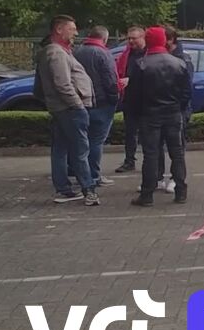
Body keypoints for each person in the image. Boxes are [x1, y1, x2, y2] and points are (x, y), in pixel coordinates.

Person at [37, 15, 99, 206]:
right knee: (80, 150)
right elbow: (63, 84)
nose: (76, 33)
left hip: (62, 108)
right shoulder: (56, 53)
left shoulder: (57, 52)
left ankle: (64, 190)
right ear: (59, 29)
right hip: (70, 109)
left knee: (60, 149)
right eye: (72, 29)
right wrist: (78, 105)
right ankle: (89, 190)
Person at [127, 27, 191, 207]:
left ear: (147, 41)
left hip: (149, 114)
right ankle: (180, 191)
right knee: (177, 153)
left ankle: (147, 194)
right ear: (163, 40)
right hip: (173, 113)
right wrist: (179, 108)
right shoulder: (179, 63)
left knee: (151, 154)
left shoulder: (140, 64)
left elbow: (133, 95)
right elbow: (186, 92)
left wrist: (138, 114)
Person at [73, 26, 118, 188]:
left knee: (82, 141)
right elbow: (110, 80)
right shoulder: (104, 54)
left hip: (81, 102)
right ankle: (94, 175)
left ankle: (81, 174)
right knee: (96, 141)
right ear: (104, 39)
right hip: (102, 103)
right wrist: (115, 99)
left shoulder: (77, 52)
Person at [114, 26, 146, 173]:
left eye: (134, 38)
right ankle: (129, 161)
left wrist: (131, 80)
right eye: (129, 38)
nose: (131, 41)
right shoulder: (126, 55)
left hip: (146, 100)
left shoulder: (149, 54)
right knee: (130, 133)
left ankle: (150, 160)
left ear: (142, 38)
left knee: (147, 133)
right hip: (130, 100)